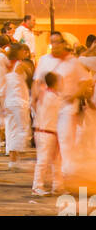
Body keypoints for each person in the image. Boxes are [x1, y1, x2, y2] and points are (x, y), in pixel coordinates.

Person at [33, 33, 89, 183]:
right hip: (49, 109)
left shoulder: (73, 62)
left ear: (64, 43)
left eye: (58, 42)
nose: (55, 45)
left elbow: (86, 80)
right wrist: (34, 100)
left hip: (67, 108)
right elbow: (36, 81)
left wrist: (74, 95)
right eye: (52, 42)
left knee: (65, 142)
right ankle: (54, 182)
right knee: (49, 146)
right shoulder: (44, 60)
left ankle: (64, 178)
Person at [31, 71, 63, 197]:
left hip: (45, 131)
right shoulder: (53, 97)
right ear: (55, 83)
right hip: (46, 132)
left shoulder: (44, 94)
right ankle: (37, 186)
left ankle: (58, 186)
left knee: (55, 161)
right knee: (44, 161)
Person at [4, 43, 32, 168]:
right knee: (23, 130)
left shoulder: (6, 64)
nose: (25, 53)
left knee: (11, 130)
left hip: (8, 100)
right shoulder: (20, 65)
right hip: (19, 100)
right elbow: (32, 76)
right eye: (23, 51)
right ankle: (18, 153)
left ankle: (13, 160)